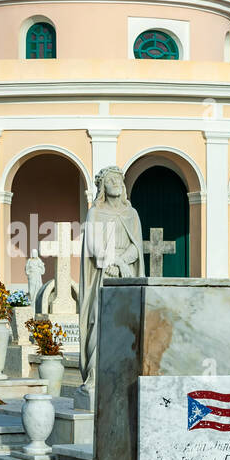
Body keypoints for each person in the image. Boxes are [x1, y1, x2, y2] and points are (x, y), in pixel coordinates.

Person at [78, 166, 144, 395]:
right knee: (100, 322)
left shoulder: (132, 214)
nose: (116, 182)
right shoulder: (94, 213)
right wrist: (115, 263)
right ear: (102, 187)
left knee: (127, 325)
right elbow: (94, 247)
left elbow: (137, 246)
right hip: (104, 275)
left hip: (126, 277)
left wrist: (124, 263)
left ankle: (126, 376)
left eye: (118, 179)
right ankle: (95, 377)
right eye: (110, 180)